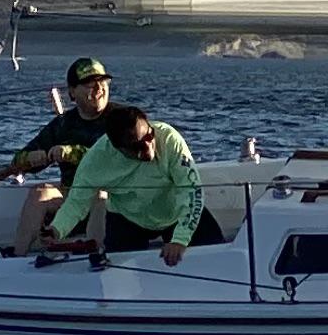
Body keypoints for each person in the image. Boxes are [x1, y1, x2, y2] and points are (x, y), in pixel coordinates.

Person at [41, 103, 205, 268]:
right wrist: (55, 230)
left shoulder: (169, 139)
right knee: (115, 271)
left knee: (216, 250)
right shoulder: (96, 161)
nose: (147, 148)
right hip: (128, 218)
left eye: (149, 137)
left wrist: (180, 240)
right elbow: (76, 204)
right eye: (136, 146)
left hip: (175, 214)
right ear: (117, 148)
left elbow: (191, 190)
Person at [2, 58, 118, 250]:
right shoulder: (63, 124)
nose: (98, 88)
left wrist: (72, 153)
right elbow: (18, 160)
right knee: (40, 193)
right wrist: (30, 159)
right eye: (90, 83)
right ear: (72, 91)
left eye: (103, 82)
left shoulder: (122, 118)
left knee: (100, 194)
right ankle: (17, 254)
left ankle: (94, 253)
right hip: (73, 197)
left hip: (117, 198)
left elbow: (118, 157)